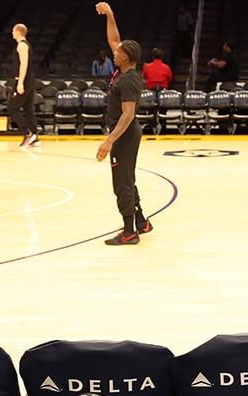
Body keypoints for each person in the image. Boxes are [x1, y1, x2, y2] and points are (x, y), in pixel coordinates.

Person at [94, 2, 149, 246]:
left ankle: (129, 232)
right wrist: (110, 14)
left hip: (124, 133)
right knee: (127, 178)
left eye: (117, 52)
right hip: (125, 132)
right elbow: (114, 39)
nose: (113, 52)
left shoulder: (128, 80)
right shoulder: (126, 71)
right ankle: (141, 222)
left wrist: (109, 140)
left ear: (125, 57)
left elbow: (128, 114)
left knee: (122, 183)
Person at [8, 23, 40, 148]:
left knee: (12, 108)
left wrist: (20, 82)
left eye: (13, 31)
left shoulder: (21, 45)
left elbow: (24, 64)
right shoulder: (26, 44)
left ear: (18, 32)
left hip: (24, 80)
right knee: (28, 109)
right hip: (30, 80)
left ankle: (28, 133)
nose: (12, 33)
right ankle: (35, 137)